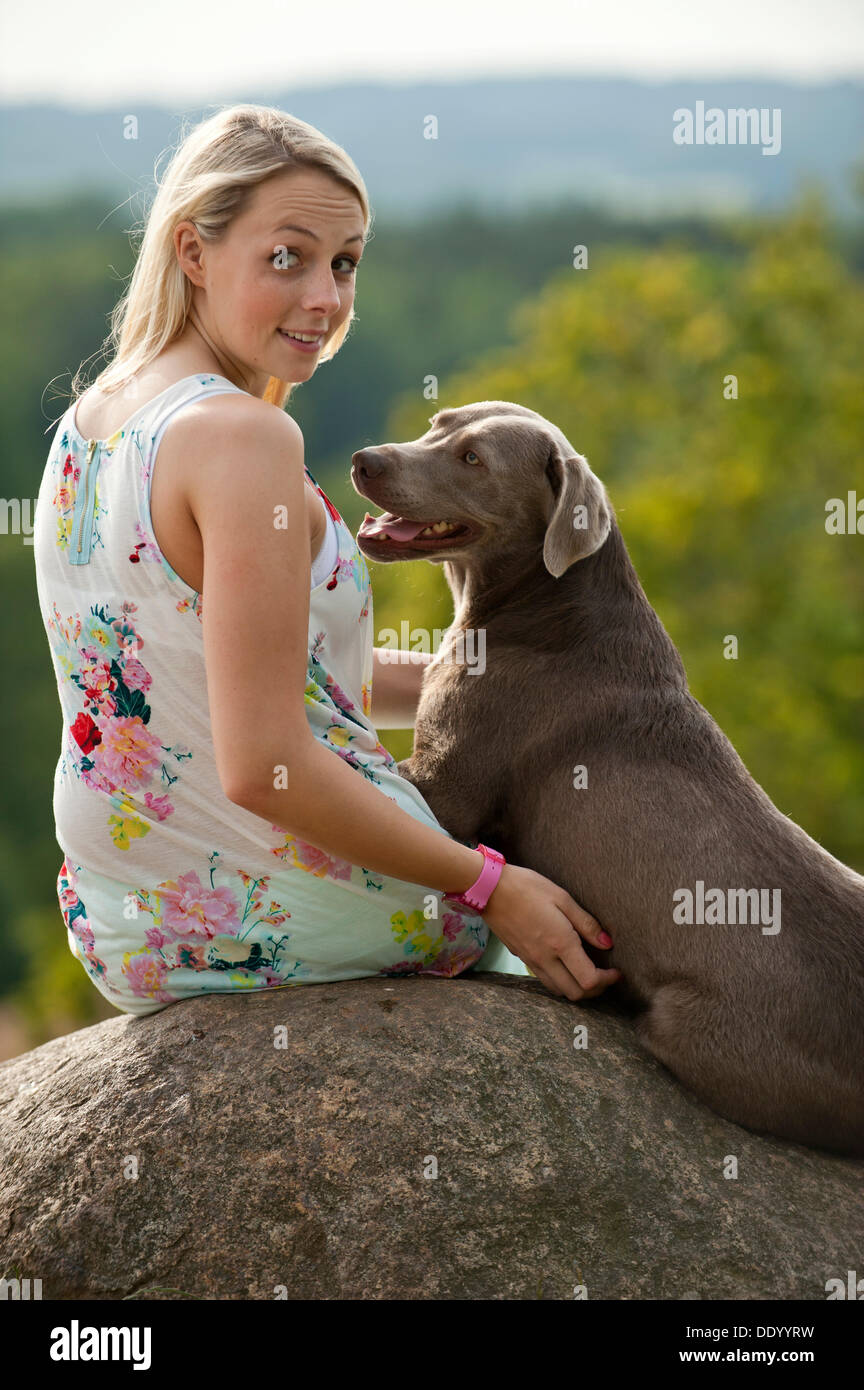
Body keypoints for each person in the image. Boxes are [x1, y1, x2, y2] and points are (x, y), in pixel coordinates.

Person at [33, 102, 622, 1016]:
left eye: (344, 263)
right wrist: (488, 886)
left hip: (123, 920)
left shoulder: (92, 419)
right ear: (193, 252)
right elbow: (263, 761)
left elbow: (263, 677)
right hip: (287, 906)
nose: (326, 297)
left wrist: (505, 687)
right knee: (612, 907)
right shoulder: (242, 438)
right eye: (288, 257)